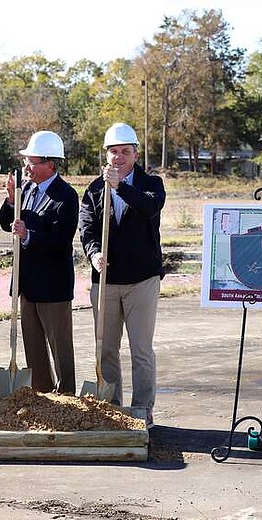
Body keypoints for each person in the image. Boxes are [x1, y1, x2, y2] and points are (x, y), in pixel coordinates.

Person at [78, 122, 165, 427]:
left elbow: (149, 209)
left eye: (125, 151)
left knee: (141, 349)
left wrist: (120, 187)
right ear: (106, 154)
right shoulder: (94, 189)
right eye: (113, 151)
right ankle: (112, 407)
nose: (118, 157)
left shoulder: (151, 184)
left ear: (135, 154)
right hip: (106, 281)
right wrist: (94, 253)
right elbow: (87, 228)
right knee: (106, 349)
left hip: (142, 280)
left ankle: (142, 408)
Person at [0, 131, 79, 394]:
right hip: (27, 284)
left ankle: (67, 396)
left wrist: (29, 235)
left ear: (50, 164)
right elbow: (6, 223)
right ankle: (42, 396)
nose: (26, 167)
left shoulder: (66, 195)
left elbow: (61, 240)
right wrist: (11, 200)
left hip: (53, 286)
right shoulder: (25, 189)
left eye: (32, 162)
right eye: (26, 161)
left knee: (60, 347)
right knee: (33, 348)